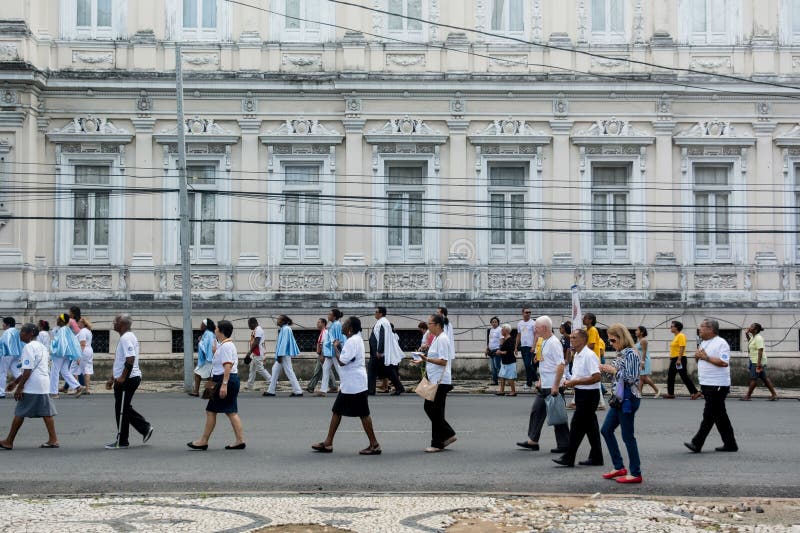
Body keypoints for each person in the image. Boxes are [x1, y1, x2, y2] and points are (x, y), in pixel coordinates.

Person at [311, 316, 381, 455]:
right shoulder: (355, 340)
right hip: (351, 384)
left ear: (349, 329)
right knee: (337, 411)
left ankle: (374, 445)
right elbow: (349, 357)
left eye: (345, 324)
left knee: (363, 414)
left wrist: (335, 347)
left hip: (354, 385)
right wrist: (339, 347)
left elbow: (342, 361)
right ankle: (328, 443)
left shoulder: (352, 341)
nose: (342, 326)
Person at [188, 319, 245, 450]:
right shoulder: (224, 345)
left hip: (225, 380)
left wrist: (224, 385)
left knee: (211, 411)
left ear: (222, 331)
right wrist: (215, 352)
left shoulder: (225, 346)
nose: (215, 330)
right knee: (230, 411)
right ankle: (240, 440)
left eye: (217, 329)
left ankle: (203, 441)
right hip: (226, 380)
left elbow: (227, 366)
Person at [0, 323, 59, 450]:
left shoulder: (29, 347)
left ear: (30, 334)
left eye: (22, 332)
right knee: (46, 413)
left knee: (20, 412)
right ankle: (53, 439)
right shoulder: (42, 347)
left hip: (33, 385)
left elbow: (28, 371)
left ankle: (9, 441)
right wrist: (15, 383)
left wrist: (19, 388)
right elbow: (30, 369)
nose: (20, 334)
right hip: (43, 383)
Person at [684, 319, 739, 453]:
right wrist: (698, 356)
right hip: (706, 383)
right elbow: (701, 359)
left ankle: (697, 443)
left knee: (709, 414)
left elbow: (724, 362)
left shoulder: (721, 343)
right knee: (720, 416)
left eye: (702, 327)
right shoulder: (704, 342)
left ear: (711, 329)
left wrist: (706, 358)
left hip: (718, 384)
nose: (699, 329)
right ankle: (730, 444)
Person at [517, 316, 569, 453]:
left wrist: (556, 386)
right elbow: (543, 363)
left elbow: (560, 365)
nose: (535, 330)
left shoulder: (554, 343)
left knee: (557, 415)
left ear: (545, 328)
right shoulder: (543, 341)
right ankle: (533, 441)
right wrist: (540, 380)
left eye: (537, 327)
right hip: (544, 384)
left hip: (553, 385)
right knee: (536, 411)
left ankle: (564, 444)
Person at [599, 324, 643, 483]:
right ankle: (619, 467)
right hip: (619, 397)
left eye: (613, 339)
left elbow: (631, 377)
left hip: (628, 398)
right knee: (606, 430)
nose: (611, 343)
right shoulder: (621, 353)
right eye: (609, 340)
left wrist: (612, 370)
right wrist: (607, 370)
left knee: (627, 436)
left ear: (621, 337)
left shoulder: (630, 353)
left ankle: (636, 473)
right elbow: (617, 378)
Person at [553, 328, 603, 468]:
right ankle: (597, 457)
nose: (571, 339)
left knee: (576, 426)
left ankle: (569, 457)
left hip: (589, 395)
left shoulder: (589, 355)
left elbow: (596, 377)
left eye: (574, 337)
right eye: (571, 337)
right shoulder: (578, 354)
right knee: (591, 428)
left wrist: (575, 382)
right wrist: (570, 382)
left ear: (582, 340)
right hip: (581, 393)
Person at [105, 314, 154, 449]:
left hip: (129, 379)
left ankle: (124, 439)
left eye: (116, 321)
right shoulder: (126, 337)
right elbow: (120, 361)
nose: (114, 322)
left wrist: (122, 378)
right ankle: (140, 431)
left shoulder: (126, 337)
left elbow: (130, 358)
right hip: (127, 378)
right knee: (123, 407)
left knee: (121, 409)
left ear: (124, 324)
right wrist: (112, 378)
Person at [414, 314, 456, 453]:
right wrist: (422, 360)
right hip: (435, 379)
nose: (428, 326)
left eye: (430, 323)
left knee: (433, 410)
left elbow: (443, 361)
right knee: (435, 411)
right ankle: (444, 437)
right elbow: (434, 357)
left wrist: (426, 359)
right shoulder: (437, 338)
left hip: (440, 381)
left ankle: (440, 441)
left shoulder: (443, 339)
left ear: (437, 325)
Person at [368, 307, 404, 396]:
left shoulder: (383, 322)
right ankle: (399, 387)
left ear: (380, 313)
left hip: (379, 353)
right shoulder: (382, 322)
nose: (375, 313)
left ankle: (370, 390)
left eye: (376, 312)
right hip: (377, 352)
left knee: (376, 370)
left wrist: (379, 351)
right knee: (386, 370)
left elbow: (382, 337)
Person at [265, 315, 304, 397]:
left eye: (279, 319)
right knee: (275, 369)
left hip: (284, 354)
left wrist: (280, 355)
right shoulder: (284, 329)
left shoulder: (286, 329)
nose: (277, 320)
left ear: (283, 321)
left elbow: (284, 343)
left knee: (289, 371)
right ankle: (271, 390)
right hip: (282, 354)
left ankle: (298, 391)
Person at [741, 323, 778, 401]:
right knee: (764, 378)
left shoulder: (758, 338)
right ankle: (774, 395)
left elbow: (760, 351)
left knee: (753, 378)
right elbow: (750, 343)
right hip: (753, 360)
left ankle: (748, 396)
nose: (749, 327)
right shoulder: (753, 337)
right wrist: (746, 334)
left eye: (751, 327)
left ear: (755, 330)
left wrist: (758, 364)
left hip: (756, 361)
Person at [49, 314, 84, 398]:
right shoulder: (67, 329)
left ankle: (54, 392)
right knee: (64, 371)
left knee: (54, 371)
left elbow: (59, 343)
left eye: (58, 319)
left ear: (62, 321)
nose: (57, 321)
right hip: (68, 353)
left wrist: (54, 350)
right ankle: (78, 387)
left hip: (61, 353)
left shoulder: (62, 330)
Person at [665, 320, 701, 400]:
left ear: (676, 328)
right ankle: (670, 393)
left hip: (679, 359)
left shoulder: (681, 336)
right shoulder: (676, 336)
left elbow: (682, 347)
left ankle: (695, 392)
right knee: (671, 376)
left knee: (684, 376)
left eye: (672, 326)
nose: (670, 328)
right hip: (675, 359)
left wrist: (679, 359)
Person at [318, 309, 344, 397]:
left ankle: (345, 388)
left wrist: (336, 350)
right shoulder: (333, 325)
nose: (328, 316)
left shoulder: (337, 325)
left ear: (334, 316)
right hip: (330, 352)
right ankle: (323, 390)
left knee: (339, 370)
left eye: (330, 314)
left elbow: (338, 339)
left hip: (334, 352)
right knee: (325, 369)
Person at [583, 313, 606, 410]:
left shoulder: (593, 330)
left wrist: (581, 349)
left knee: (594, 380)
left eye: (585, 318)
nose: (583, 319)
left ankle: (600, 402)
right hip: (587, 357)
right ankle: (599, 402)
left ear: (591, 320)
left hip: (593, 358)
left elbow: (591, 345)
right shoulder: (585, 330)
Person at [244, 317, 271, 393]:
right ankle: (249, 385)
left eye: (249, 324)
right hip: (255, 353)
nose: (249, 326)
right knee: (252, 368)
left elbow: (256, 342)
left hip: (258, 353)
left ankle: (272, 381)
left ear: (253, 323)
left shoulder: (258, 330)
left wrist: (249, 352)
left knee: (260, 369)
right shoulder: (256, 330)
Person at [190, 318, 216, 397]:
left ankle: (210, 393)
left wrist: (200, 341)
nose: (200, 325)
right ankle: (197, 392)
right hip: (206, 359)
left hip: (207, 359)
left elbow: (207, 346)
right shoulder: (207, 333)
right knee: (202, 374)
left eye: (202, 324)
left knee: (207, 376)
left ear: (206, 325)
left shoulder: (209, 334)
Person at [0, 317, 24, 399]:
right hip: (16, 354)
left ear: (7, 324)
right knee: (16, 372)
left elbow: (3, 343)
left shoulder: (7, 332)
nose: (2, 324)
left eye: (3, 323)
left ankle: (1, 392)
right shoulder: (17, 331)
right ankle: (26, 389)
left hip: (7, 354)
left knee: (2, 372)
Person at [71, 317, 94, 396]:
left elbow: (82, 344)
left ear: (83, 323)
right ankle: (87, 389)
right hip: (89, 350)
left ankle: (77, 388)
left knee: (73, 369)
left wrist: (78, 356)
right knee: (86, 369)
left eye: (79, 322)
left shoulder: (83, 332)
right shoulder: (88, 331)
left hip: (83, 351)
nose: (78, 324)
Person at [514, 307, 536, 390]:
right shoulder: (520, 324)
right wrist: (516, 347)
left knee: (528, 364)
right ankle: (532, 381)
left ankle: (531, 382)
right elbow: (518, 335)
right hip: (523, 346)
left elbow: (535, 335)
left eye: (529, 312)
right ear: (522, 313)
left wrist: (534, 346)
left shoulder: (533, 323)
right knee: (527, 365)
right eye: (526, 312)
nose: (528, 314)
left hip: (530, 346)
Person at [307, 317, 329, 394]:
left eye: (319, 322)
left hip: (322, 354)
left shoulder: (325, 332)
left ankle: (311, 386)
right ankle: (333, 385)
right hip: (321, 354)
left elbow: (323, 344)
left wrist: (321, 355)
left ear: (323, 323)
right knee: (324, 370)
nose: (317, 324)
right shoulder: (322, 332)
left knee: (318, 371)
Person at [636, 326, 659, 398]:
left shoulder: (644, 340)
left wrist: (642, 362)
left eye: (637, 330)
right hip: (640, 360)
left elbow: (644, 352)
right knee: (641, 377)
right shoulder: (639, 340)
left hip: (644, 360)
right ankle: (639, 393)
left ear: (641, 332)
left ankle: (657, 390)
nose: (635, 331)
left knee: (643, 377)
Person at [495, 325, 517, 396]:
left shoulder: (510, 340)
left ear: (506, 331)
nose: (501, 331)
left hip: (510, 361)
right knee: (502, 376)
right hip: (504, 361)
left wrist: (500, 352)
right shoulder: (505, 339)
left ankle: (513, 391)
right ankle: (502, 391)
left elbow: (508, 351)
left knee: (510, 377)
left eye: (502, 330)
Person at [485, 317, 502, 386]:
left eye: (495, 322)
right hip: (491, 351)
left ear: (498, 323)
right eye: (493, 322)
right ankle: (495, 381)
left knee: (497, 366)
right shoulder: (491, 330)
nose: (494, 323)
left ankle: (504, 380)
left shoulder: (500, 330)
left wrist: (500, 349)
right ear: (491, 323)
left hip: (497, 350)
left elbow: (501, 340)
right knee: (493, 367)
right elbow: (490, 341)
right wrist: (487, 349)